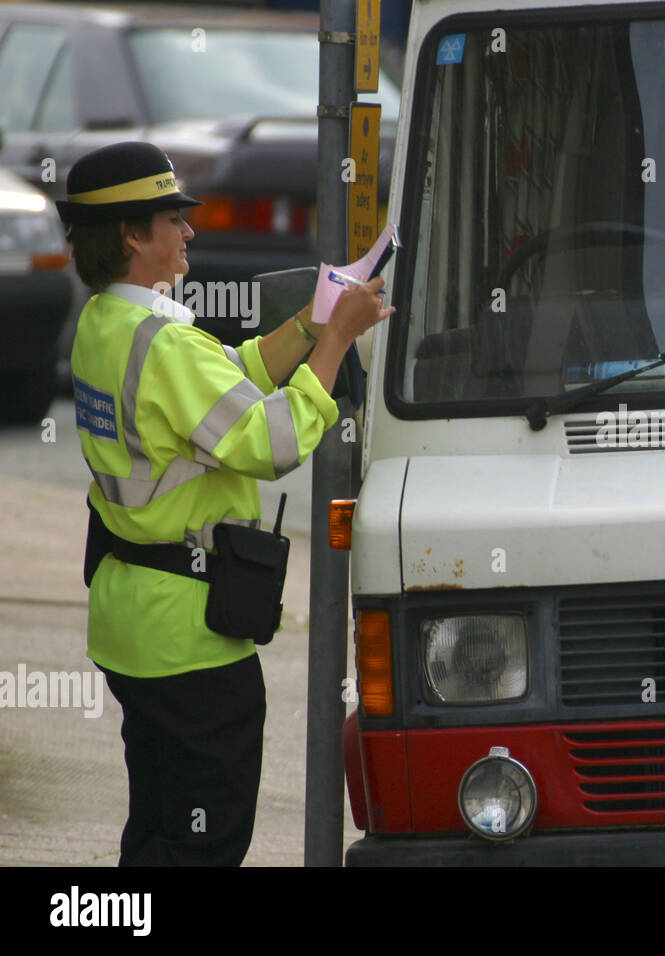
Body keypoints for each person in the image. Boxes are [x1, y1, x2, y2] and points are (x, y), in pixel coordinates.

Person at [59, 141, 393, 865]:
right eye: (173, 219)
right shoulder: (163, 341)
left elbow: (229, 377)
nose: (189, 232)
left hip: (134, 621)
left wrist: (307, 325)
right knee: (200, 844)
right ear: (130, 235)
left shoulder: (107, 326)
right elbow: (268, 442)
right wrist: (338, 341)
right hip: (189, 640)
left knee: (158, 829)